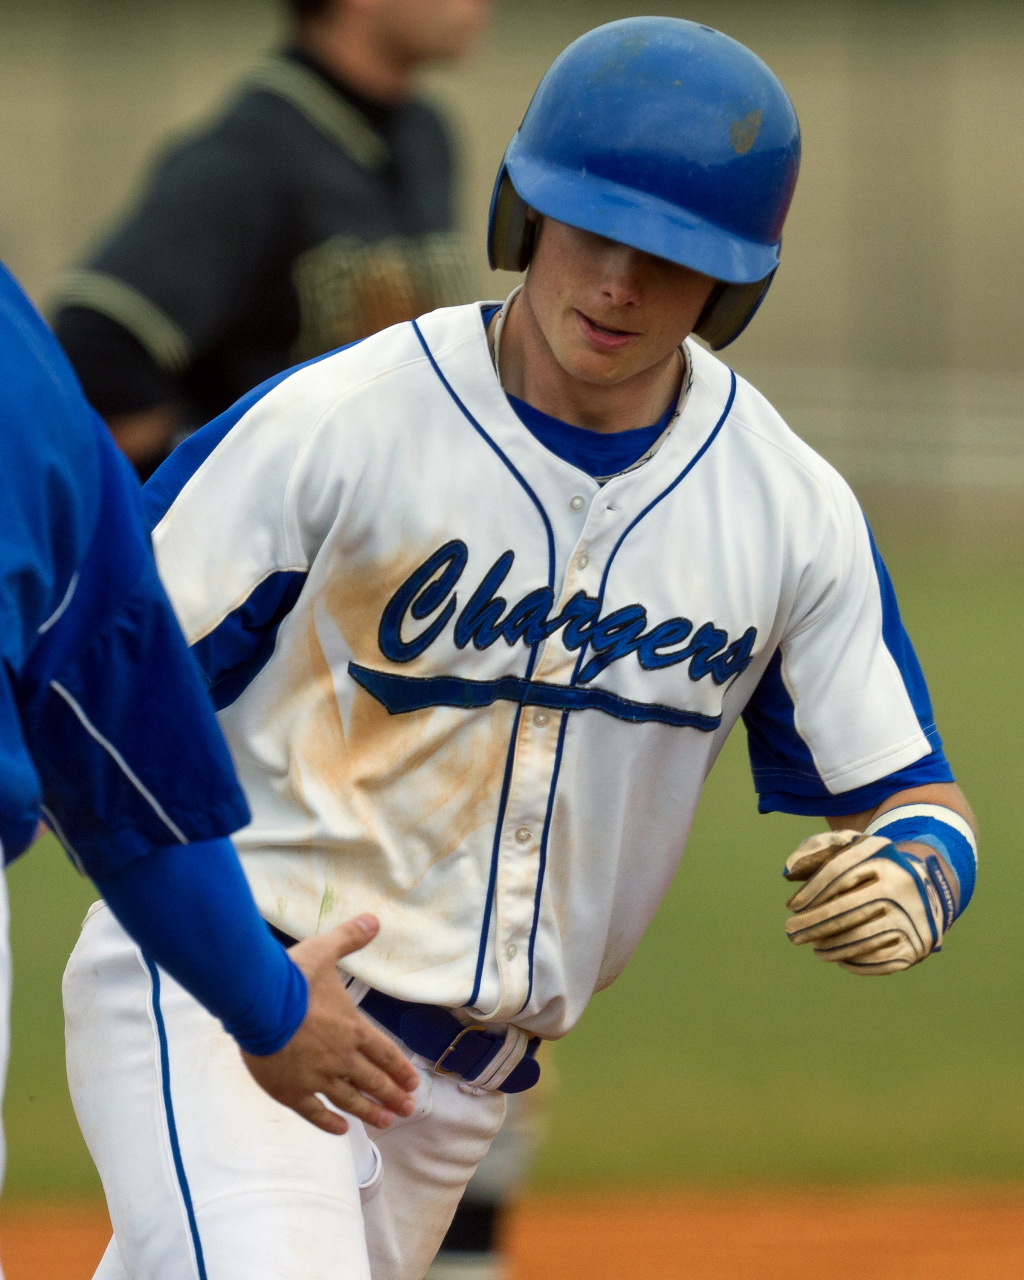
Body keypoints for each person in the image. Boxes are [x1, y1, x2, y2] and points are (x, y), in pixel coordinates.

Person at [63, 18, 978, 1280]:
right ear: (521, 214)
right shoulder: (338, 421)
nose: (616, 282)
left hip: (454, 1097)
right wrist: (239, 976)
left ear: (734, 281)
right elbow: (92, 696)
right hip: (230, 999)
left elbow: (912, 795)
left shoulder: (785, 505)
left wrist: (926, 871)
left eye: (668, 258)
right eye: (591, 230)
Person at [0, 257, 418, 1191]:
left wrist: (266, 1003)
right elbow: (123, 748)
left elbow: (125, 747)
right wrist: (263, 1003)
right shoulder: (23, 378)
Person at [51, 0, 491, 479]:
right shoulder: (249, 154)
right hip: (286, 541)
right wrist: (228, 479)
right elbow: (93, 339)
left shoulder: (425, 133)